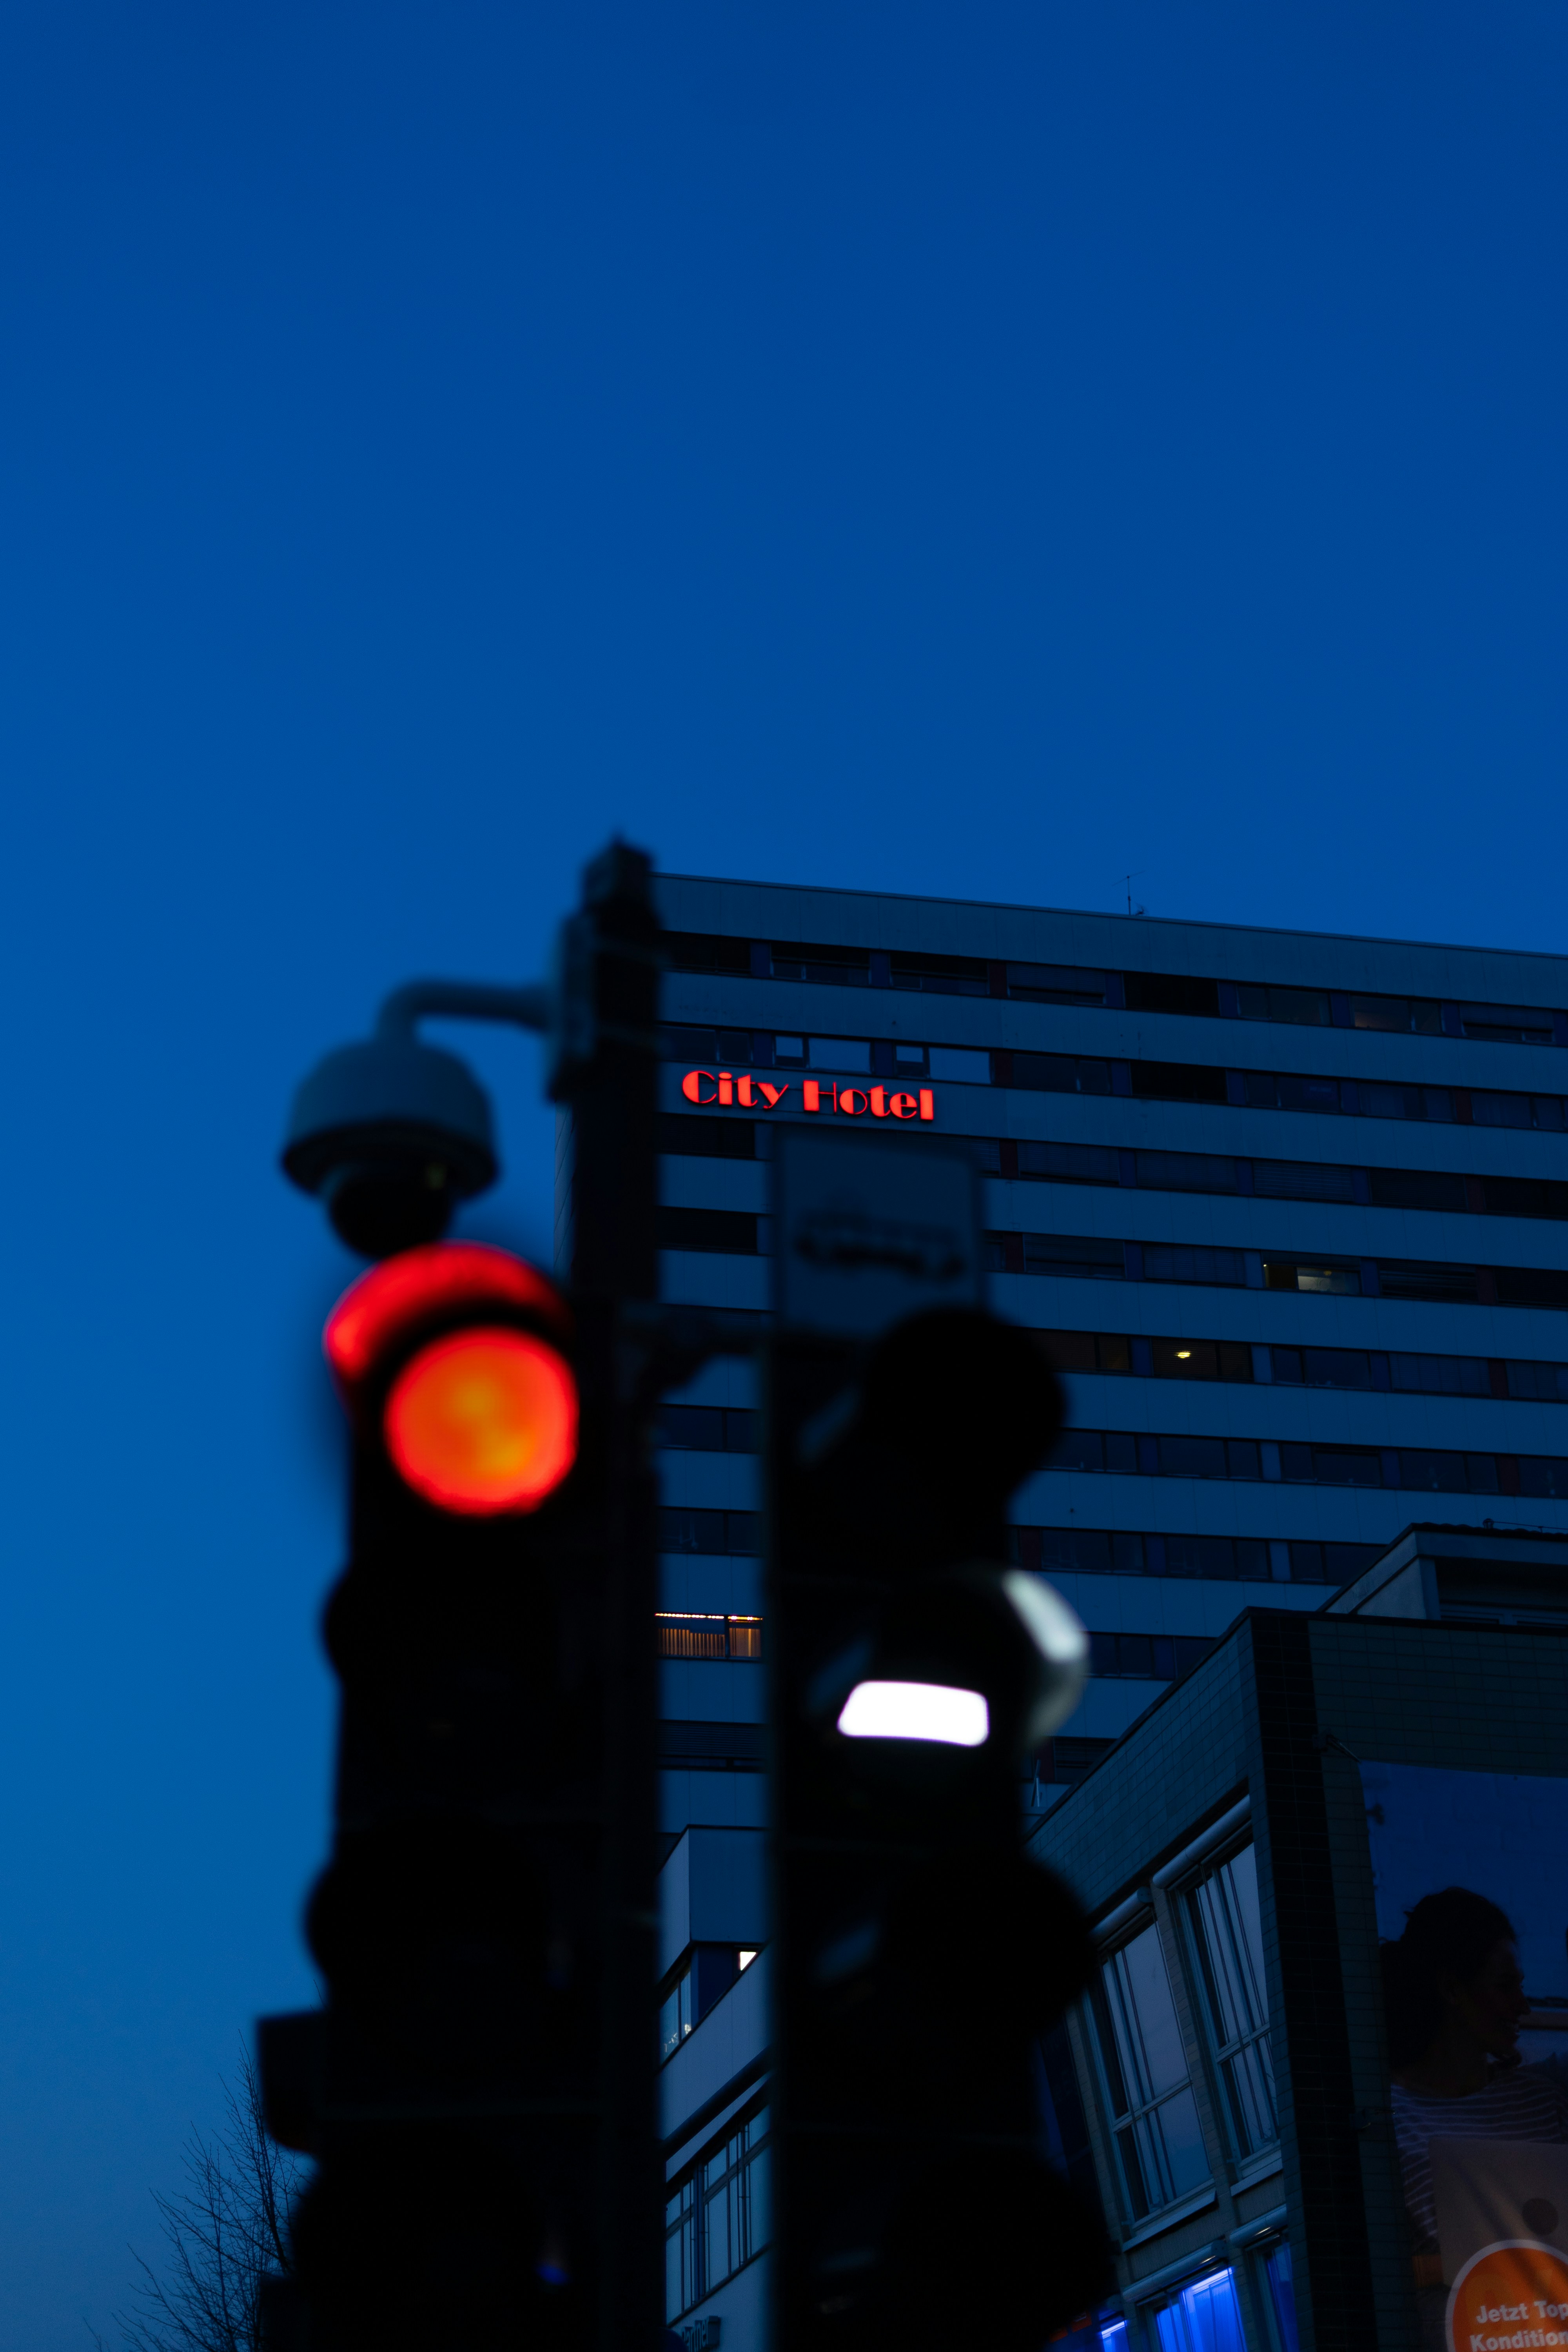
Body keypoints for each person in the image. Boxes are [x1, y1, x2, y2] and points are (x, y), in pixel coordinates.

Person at [1383, 1889, 1568, 2265]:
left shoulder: (1544, 2103)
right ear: (1453, 1989)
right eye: (1504, 1985)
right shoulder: (1389, 2120)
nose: (1524, 2005)